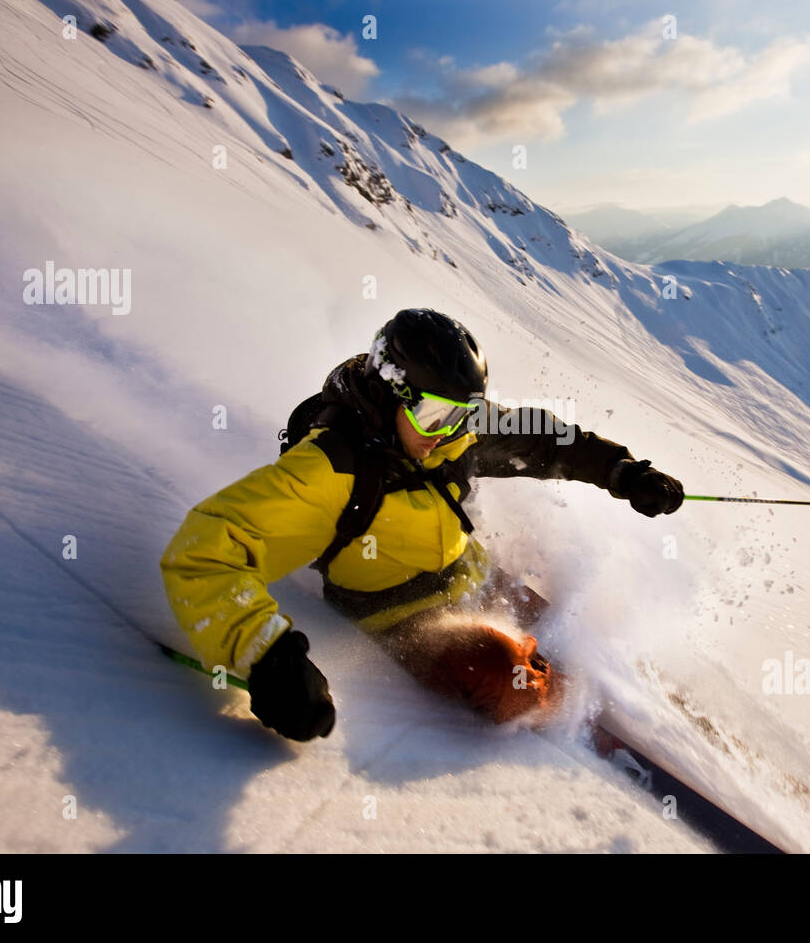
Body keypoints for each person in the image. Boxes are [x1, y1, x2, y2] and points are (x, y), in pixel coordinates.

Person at [159, 309, 684, 741]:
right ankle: (574, 700)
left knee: (584, 629)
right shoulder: (330, 468)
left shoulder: (455, 429)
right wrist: (268, 659)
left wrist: (622, 471)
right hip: (402, 615)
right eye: (434, 414)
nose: (446, 431)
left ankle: (642, 699)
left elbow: (541, 439)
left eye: (461, 414)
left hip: (471, 575)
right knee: (498, 673)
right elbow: (205, 549)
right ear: (392, 394)